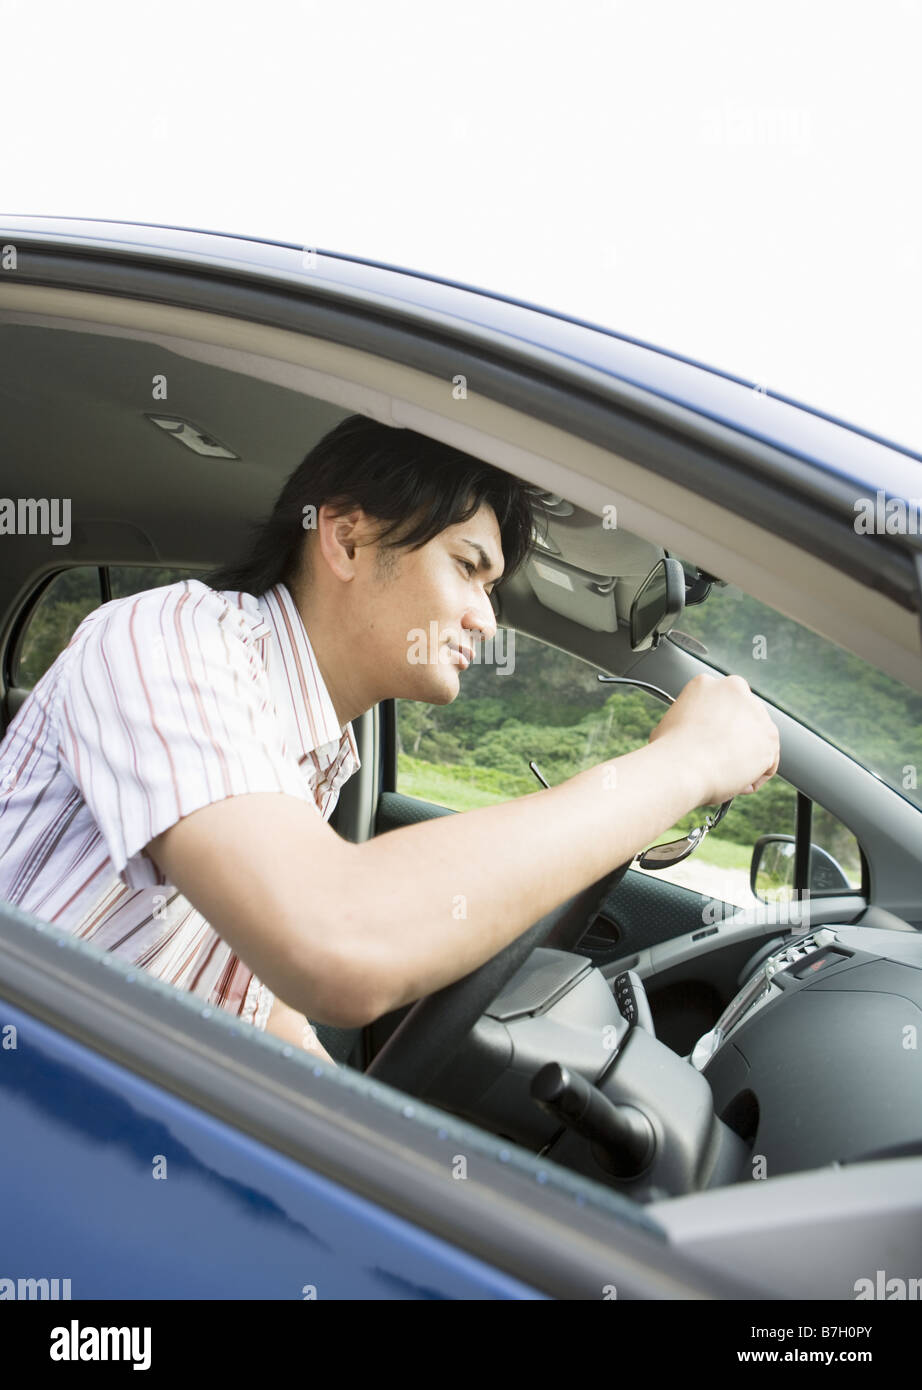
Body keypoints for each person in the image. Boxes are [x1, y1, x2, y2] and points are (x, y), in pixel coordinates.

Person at [0, 414, 780, 1067]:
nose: (487, 618)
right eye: (468, 569)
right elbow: (336, 935)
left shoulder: (314, 752)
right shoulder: (166, 643)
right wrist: (685, 764)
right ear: (344, 540)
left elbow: (248, 997)